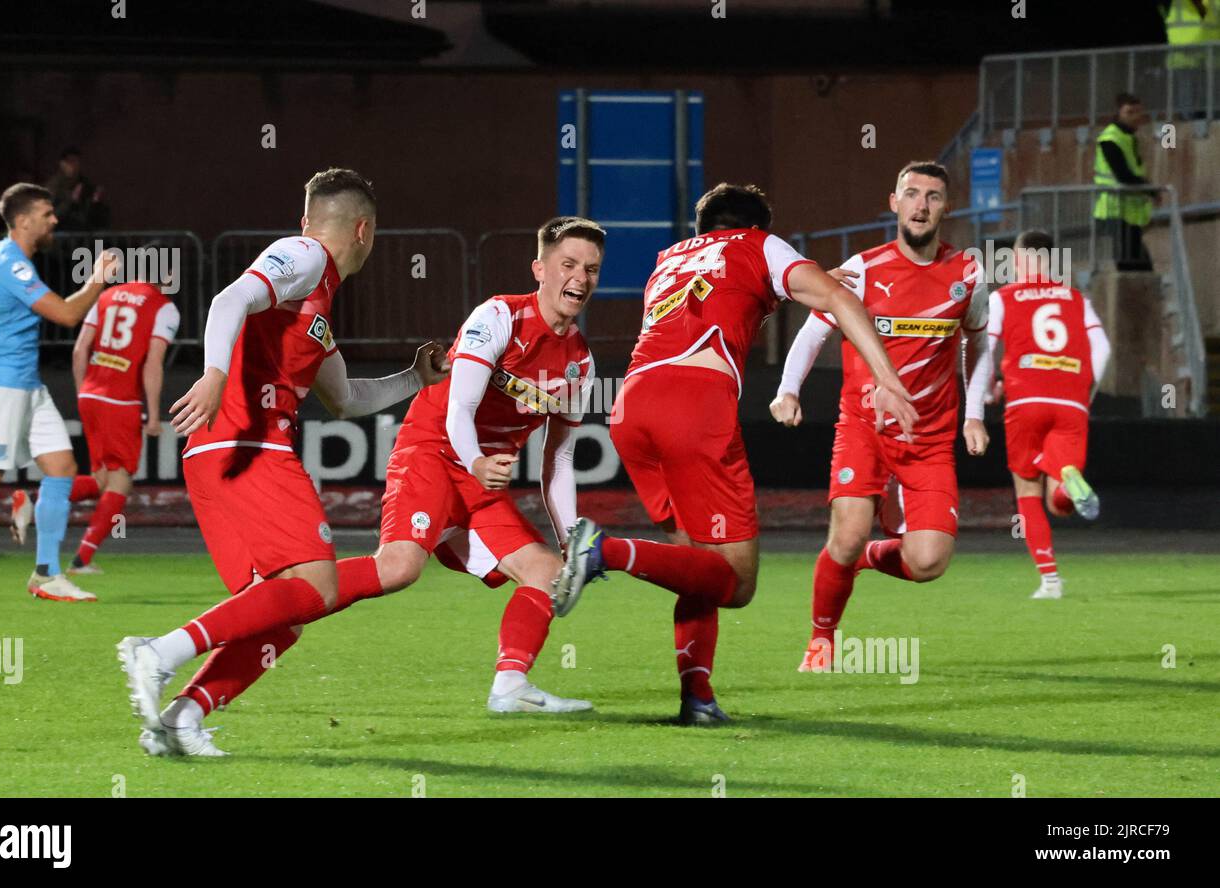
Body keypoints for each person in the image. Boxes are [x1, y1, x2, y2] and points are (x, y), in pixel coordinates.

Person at [554, 183, 917, 724]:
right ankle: (605, 551)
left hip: (632, 406)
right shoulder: (760, 245)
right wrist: (887, 379)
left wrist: (787, 288)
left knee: (696, 566)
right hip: (692, 409)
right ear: (757, 227)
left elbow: (726, 304)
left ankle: (697, 699)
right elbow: (840, 301)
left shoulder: (670, 259)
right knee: (736, 582)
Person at [118, 168, 448, 756]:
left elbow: (346, 401)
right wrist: (216, 374)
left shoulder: (314, 307)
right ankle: (158, 652)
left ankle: (181, 719)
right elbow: (230, 298)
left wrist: (414, 379)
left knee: (280, 618)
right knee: (316, 584)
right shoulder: (305, 257)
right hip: (252, 447)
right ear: (364, 230)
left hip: (216, 457)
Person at [372, 216, 603, 713]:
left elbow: (558, 458)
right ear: (539, 269)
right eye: (568, 265)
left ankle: (510, 688)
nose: (580, 278)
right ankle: (291, 595)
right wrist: (476, 460)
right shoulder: (498, 316)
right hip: (433, 454)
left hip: (479, 486)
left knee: (546, 570)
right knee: (397, 571)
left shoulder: (579, 363)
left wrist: (571, 544)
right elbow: (460, 407)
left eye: (591, 269)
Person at [771, 161, 991, 672]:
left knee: (928, 561)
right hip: (863, 428)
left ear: (946, 207)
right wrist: (787, 391)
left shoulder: (968, 275)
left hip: (930, 439)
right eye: (911, 194)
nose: (921, 205)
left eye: (933, 196)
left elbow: (980, 345)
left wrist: (973, 414)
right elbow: (813, 331)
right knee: (846, 534)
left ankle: (870, 558)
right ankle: (821, 638)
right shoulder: (865, 267)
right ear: (894, 203)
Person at [0, 183, 115, 604]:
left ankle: (46, 574)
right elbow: (67, 315)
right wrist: (97, 280)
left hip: (24, 383)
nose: (55, 220)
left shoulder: (3, 260)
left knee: (62, 468)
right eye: (47, 213)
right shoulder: (10, 263)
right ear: (24, 219)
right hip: (2, 386)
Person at [987, 230, 1110, 600]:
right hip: (1071, 403)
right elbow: (1101, 348)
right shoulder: (1077, 299)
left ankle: (1050, 580)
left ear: (1021, 260)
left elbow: (984, 346)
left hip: (1025, 401)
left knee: (1026, 489)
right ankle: (1064, 475)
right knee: (1060, 503)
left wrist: (986, 391)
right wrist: (1085, 394)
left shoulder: (1003, 297)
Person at [64, 269, 180, 573]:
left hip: (90, 394)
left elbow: (79, 352)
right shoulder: (164, 307)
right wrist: (153, 415)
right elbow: (153, 363)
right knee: (120, 481)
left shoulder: (104, 295)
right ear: (165, 274)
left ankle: (39, 499)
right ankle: (81, 558)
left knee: (102, 480)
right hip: (121, 401)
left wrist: (83, 394)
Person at [1093, 94, 1154, 272]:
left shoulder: (1129, 138)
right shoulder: (1111, 138)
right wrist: (1150, 190)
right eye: (1129, 112)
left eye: (1138, 112)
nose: (1135, 117)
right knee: (1130, 264)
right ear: (1119, 113)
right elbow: (1123, 175)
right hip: (1114, 209)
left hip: (1128, 211)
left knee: (1141, 266)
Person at [45, 147, 110, 231]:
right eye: (70, 162)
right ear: (62, 164)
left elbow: (92, 217)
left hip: (82, 236)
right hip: (61, 238)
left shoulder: (85, 185)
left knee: (99, 237)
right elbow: (51, 216)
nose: (74, 166)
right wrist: (70, 201)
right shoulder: (53, 186)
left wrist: (96, 202)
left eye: (77, 162)